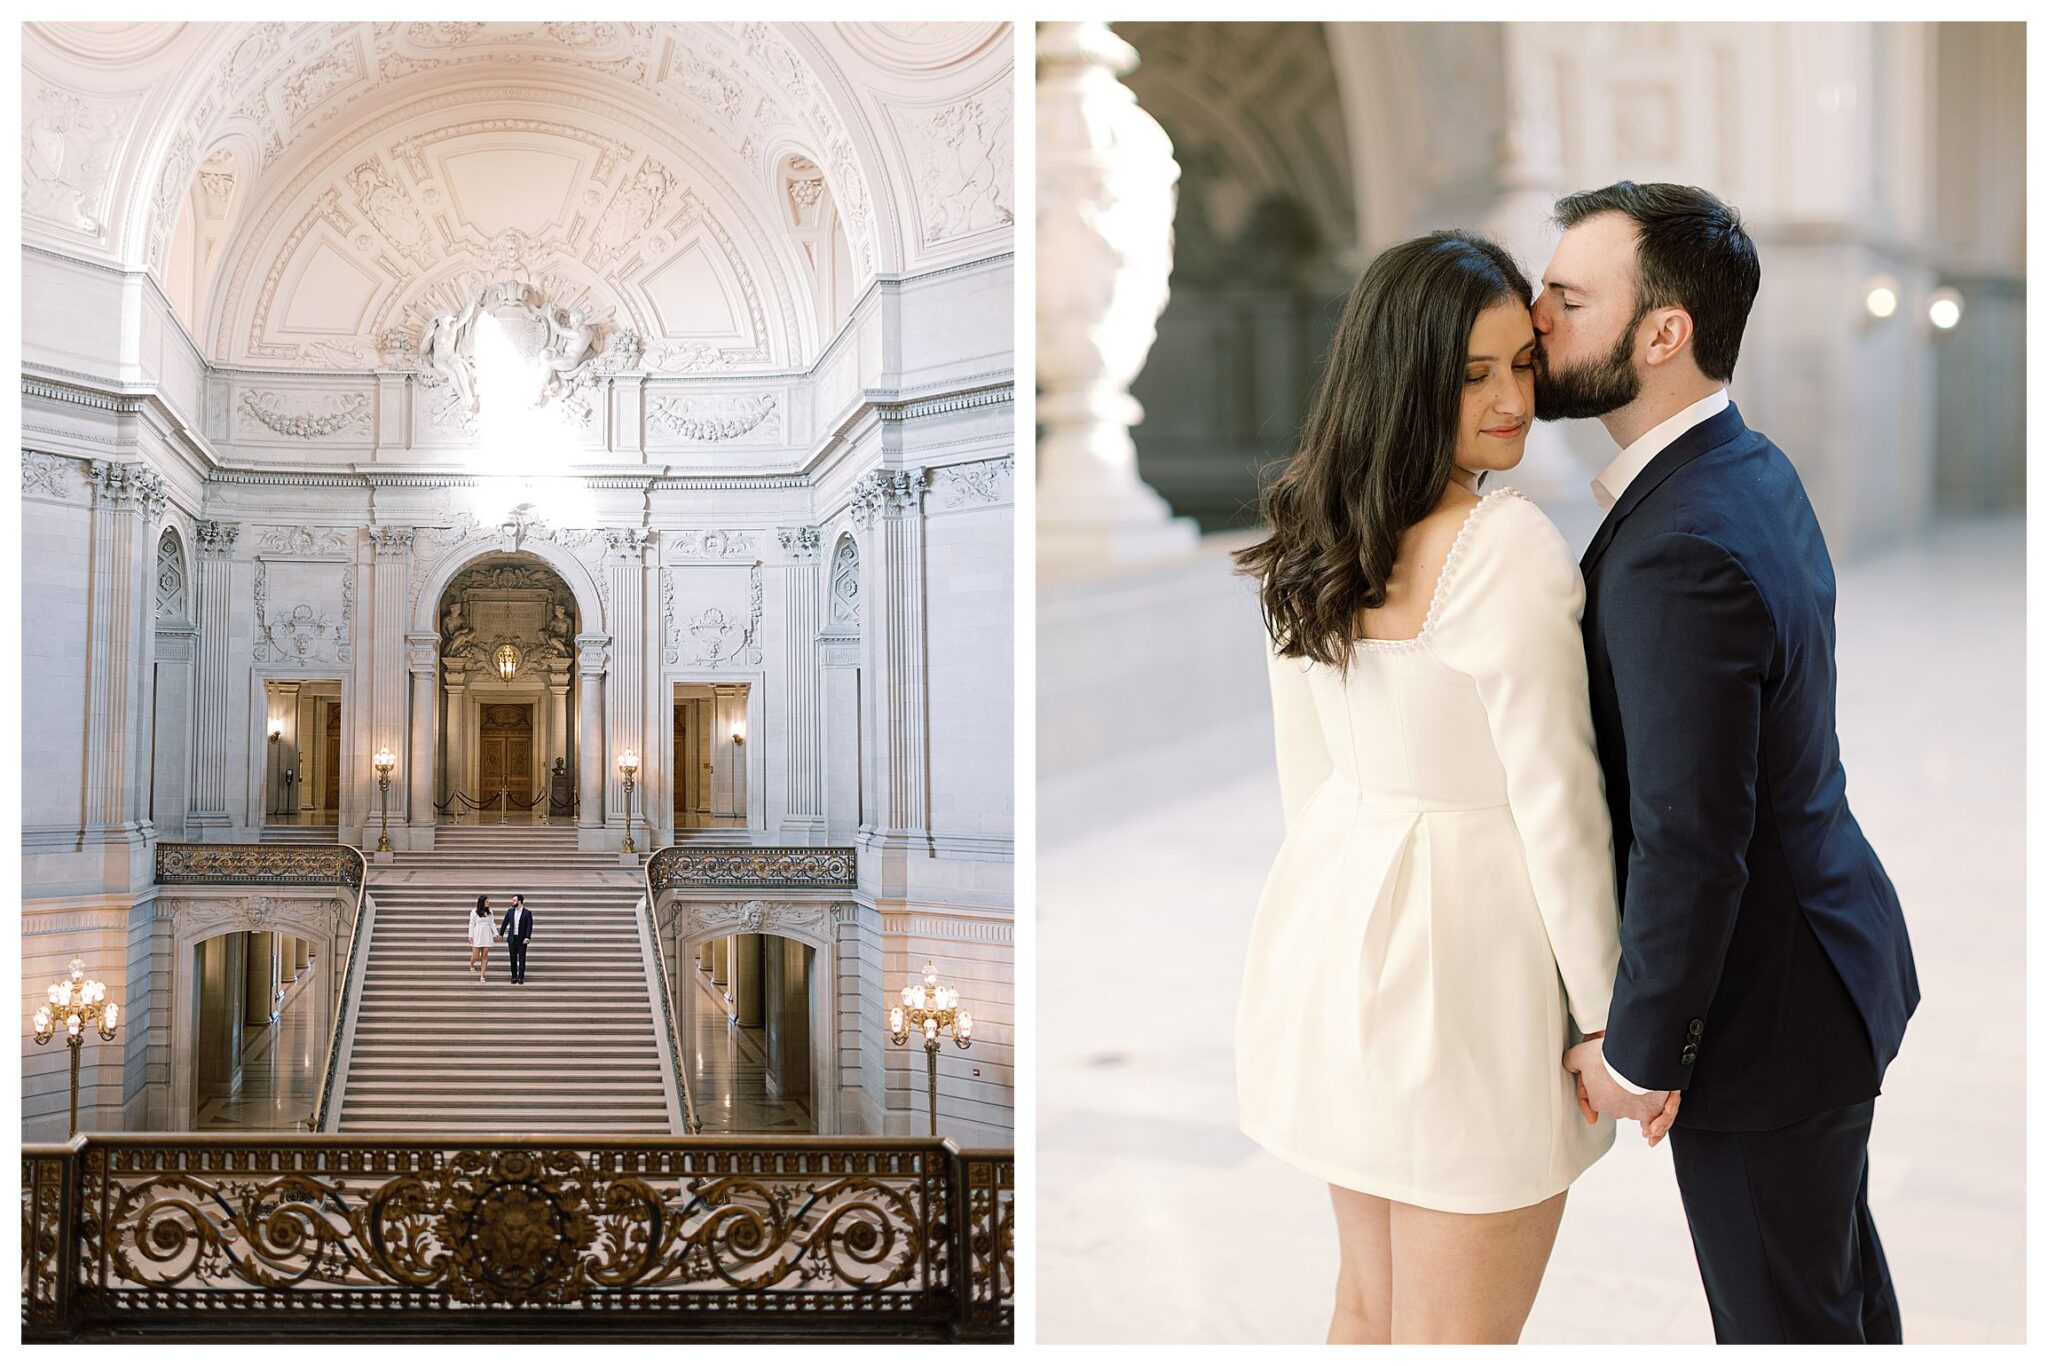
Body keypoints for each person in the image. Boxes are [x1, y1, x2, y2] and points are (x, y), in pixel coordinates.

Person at [1533, 181, 1918, 1344]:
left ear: (1662, 332)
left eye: (1565, 296)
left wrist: (1639, 1051)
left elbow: (1691, 833)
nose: (1534, 315)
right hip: (1823, 966)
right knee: (1833, 1297)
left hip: (1772, 1013)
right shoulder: (1742, 468)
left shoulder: (1677, 545)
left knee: (1787, 1323)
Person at [1232, 230, 1625, 1344]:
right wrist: (1607, 1019)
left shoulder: (1308, 533)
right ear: (1403, 376)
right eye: (1470, 374)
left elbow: (1304, 782)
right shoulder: (1503, 544)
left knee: (1365, 1307)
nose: (1510, 401)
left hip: (1336, 949)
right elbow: (1558, 807)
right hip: (1470, 978)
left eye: (1519, 365)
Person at [501, 893, 534, 985]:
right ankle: (514, 976)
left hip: (522, 939)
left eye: (514, 900)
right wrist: (501, 933)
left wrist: (527, 937)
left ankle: (521, 977)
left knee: (522, 959)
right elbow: (505, 923)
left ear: (519, 901)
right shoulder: (510, 911)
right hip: (512, 938)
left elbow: (529, 926)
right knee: (513, 958)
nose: (512, 902)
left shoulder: (527, 912)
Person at [466, 894, 497, 981]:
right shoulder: (474, 911)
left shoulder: (490, 911)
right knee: (475, 955)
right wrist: (470, 936)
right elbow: (471, 924)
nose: (488, 903)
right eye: (487, 901)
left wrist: (496, 933)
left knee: (485, 955)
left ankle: (482, 976)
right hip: (477, 933)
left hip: (486, 934)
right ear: (482, 902)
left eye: (488, 901)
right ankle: (472, 965)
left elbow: (492, 923)